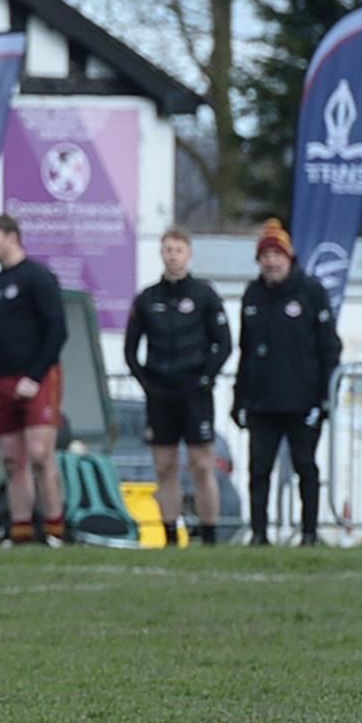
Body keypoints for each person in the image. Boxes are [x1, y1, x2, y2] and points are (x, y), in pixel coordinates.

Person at [0, 215, 68, 545]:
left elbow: (58, 330)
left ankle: (55, 530)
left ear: (11, 237)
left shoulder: (38, 278)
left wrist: (35, 376)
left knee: (39, 454)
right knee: (12, 459)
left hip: (38, 378)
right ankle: (20, 532)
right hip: (3, 380)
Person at [232, 220, 341, 546]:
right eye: (265, 254)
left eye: (276, 254)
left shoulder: (311, 292)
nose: (271, 261)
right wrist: (239, 399)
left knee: (305, 468)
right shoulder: (252, 295)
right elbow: (245, 350)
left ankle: (308, 533)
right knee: (259, 470)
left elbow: (329, 348)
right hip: (262, 402)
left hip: (302, 401)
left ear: (289, 257)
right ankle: (259, 533)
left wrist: (325, 398)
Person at [123, 227, 232, 545]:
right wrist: (147, 383)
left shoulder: (204, 294)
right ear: (161, 254)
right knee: (165, 466)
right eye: (167, 250)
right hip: (161, 393)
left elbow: (223, 344)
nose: (172, 255)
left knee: (200, 465)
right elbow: (130, 351)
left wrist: (205, 378)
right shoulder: (147, 298)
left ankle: (209, 535)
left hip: (194, 393)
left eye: (178, 250)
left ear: (189, 254)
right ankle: (170, 534)